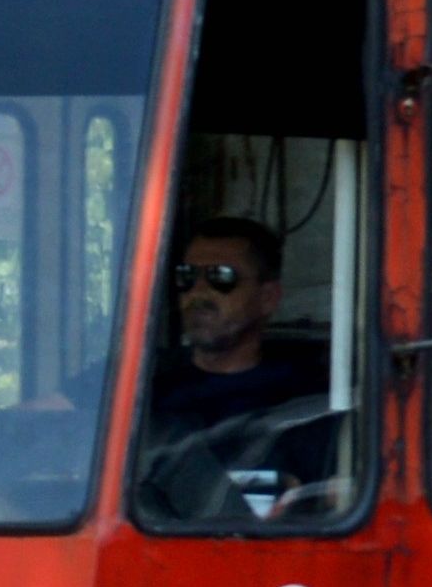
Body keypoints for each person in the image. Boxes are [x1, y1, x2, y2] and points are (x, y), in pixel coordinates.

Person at [140, 214, 342, 512]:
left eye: (220, 277)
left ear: (268, 298)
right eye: (187, 276)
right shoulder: (140, 389)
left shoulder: (312, 405)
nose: (198, 292)